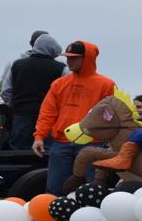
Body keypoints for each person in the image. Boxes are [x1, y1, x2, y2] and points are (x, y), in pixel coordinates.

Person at [33, 40, 117, 195]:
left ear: (88, 58)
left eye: (74, 57)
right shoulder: (59, 84)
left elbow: (112, 114)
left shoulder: (106, 84)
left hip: (93, 144)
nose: (68, 61)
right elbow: (47, 112)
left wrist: (108, 135)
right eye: (67, 57)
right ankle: (54, 219)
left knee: (93, 190)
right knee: (54, 190)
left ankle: (92, 219)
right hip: (61, 144)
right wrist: (39, 136)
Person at [1, 31, 63, 150]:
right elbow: (65, 94)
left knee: (19, 150)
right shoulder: (61, 68)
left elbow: (6, 91)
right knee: (48, 151)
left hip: (22, 115)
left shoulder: (16, 64)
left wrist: (16, 106)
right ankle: (46, 169)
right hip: (49, 118)